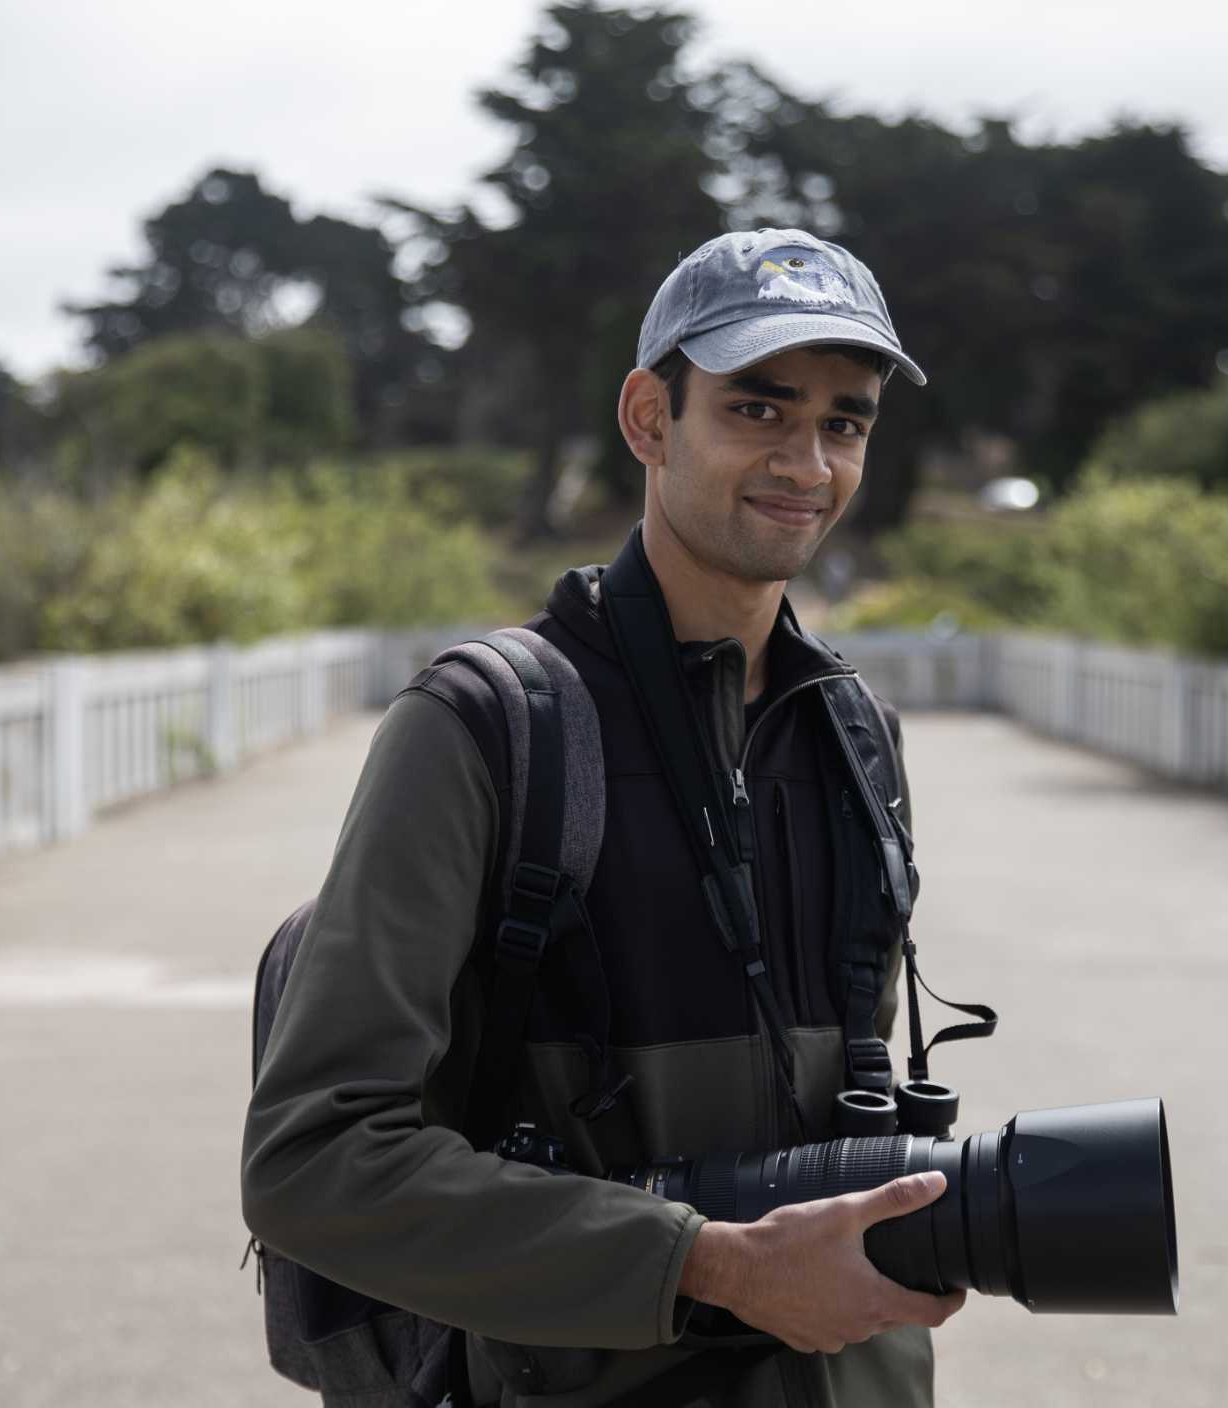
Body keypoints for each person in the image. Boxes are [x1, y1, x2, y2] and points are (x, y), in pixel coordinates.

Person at [242, 228, 964, 1407]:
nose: (807, 461)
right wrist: (710, 1264)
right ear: (648, 418)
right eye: (757, 409)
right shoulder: (484, 727)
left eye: (844, 422)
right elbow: (314, 1160)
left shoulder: (853, 734)